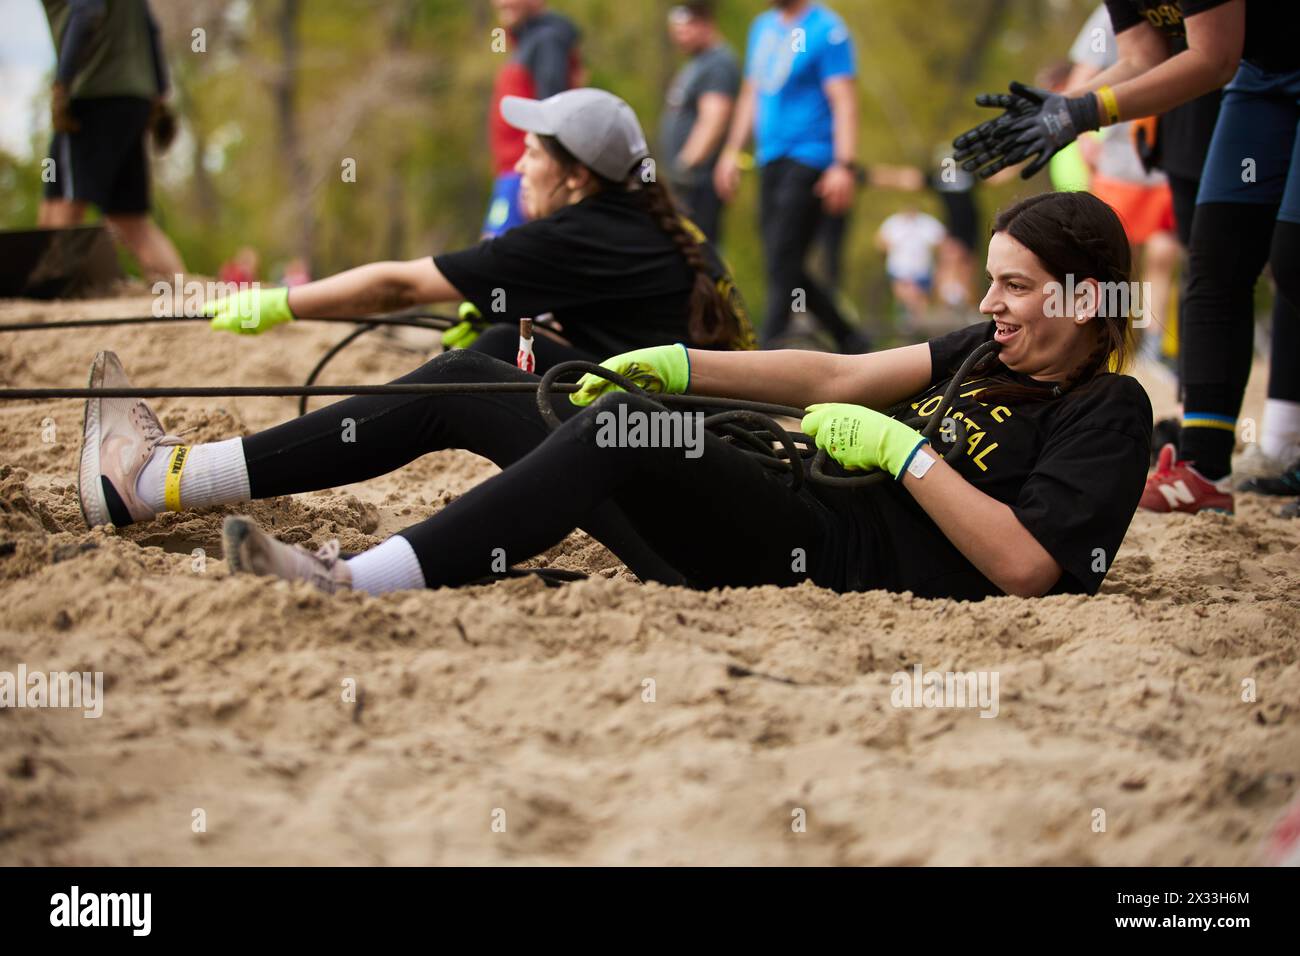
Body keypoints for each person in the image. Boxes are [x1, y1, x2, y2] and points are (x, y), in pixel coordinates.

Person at [80, 191, 1152, 602]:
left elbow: (1025, 568)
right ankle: (161, 481)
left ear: (1086, 293)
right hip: (771, 511)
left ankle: (352, 581)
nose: (994, 301)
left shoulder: (1108, 410)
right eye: (993, 280)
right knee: (480, 374)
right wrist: (673, 363)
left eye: (1016, 285)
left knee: (619, 430)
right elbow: (830, 375)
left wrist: (903, 454)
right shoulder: (982, 351)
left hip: (824, 553)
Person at [955, 0, 1300, 515]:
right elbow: (1145, 55)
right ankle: (1203, 469)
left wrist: (1086, 112)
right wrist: (1059, 107)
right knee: (1214, 259)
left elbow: (1213, 57)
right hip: (1258, 81)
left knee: (1293, 259)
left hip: (1246, 65)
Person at [204, 89, 754, 372]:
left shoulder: (572, 238)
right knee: (505, 340)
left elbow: (400, 287)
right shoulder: (649, 217)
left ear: (578, 175)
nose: (518, 167)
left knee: (484, 353)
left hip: (688, 440)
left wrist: (282, 303)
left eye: (533, 153)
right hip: (712, 419)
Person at [714, 0, 869, 352]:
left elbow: (844, 100)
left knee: (783, 254)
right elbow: (752, 93)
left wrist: (844, 165)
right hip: (770, 158)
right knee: (779, 258)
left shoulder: (827, 30)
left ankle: (763, 350)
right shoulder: (762, 27)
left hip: (811, 158)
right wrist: (731, 152)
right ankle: (851, 339)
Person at [37, 0, 185, 279]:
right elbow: (150, 27)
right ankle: (187, 294)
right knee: (132, 220)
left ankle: (51, 294)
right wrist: (160, 91)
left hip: (92, 96)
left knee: (62, 207)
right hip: (135, 98)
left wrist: (62, 84)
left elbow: (87, 10)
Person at [482, 0, 583, 238]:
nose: (501, 3)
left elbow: (552, 110)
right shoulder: (527, 40)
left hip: (525, 172)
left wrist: (542, 179)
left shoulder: (548, 39)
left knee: (494, 254)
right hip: (513, 170)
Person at [659, 1, 741, 245]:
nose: (679, 38)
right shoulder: (698, 63)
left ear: (705, 24)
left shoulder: (718, 63)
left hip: (698, 180)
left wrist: (686, 165)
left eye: (685, 30)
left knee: (700, 248)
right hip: (687, 179)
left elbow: (714, 119)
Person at [875, 207, 947, 332]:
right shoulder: (893, 222)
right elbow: (880, 242)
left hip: (922, 271)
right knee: (910, 299)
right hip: (900, 271)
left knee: (918, 304)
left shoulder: (926, 222)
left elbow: (942, 241)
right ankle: (912, 329)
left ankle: (914, 329)